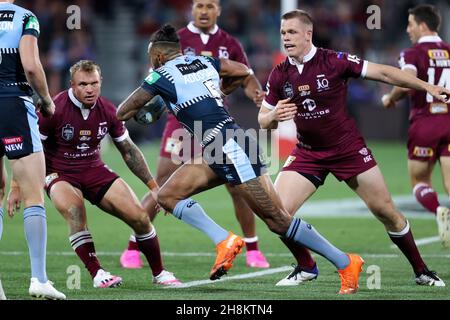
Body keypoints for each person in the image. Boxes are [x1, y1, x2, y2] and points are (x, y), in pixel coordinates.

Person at [117, 24, 366, 295]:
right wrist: (219, 92)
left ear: (158, 56)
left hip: (230, 147)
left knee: (277, 220)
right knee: (166, 196)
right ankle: (224, 240)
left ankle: (345, 262)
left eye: (151, 58)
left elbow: (122, 111)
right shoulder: (203, 61)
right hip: (222, 145)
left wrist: (154, 104)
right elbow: (242, 71)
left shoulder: (160, 74)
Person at [258, 9, 447, 287]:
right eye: (283, 33)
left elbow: (383, 72)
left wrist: (426, 87)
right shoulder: (279, 74)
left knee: (386, 212)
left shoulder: (334, 61)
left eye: (292, 32)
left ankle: (421, 270)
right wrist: (273, 117)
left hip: (347, 149)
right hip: (309, 152)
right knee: (276, 214)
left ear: (308, 34)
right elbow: (263, 120)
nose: (286, 38)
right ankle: (306, 265)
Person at [120, 0, 270, 270]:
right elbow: (155, 76)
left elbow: (245, 76)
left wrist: (255, 93)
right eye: (199, 5)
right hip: (179, 124)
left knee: (237, 186)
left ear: (218, 10)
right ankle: (134, 245)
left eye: (210, 6)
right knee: (162, 184)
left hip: (215, 123)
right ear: (192, 8)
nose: (204, 11)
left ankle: (252, 247)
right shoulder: (177, 40)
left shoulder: (229, 42)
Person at [8, 60, 181, 288]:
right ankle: (97, 272)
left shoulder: (108, 110)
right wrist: (16, 186)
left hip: (94, 169)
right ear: (72, 85)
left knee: (140, 217)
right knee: (75, 211)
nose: (89, 89)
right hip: (58, 172)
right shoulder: (54, 109)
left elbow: (129, 151)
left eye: (94, 83)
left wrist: (154, 188)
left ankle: (160, 273)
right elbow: (29, 150)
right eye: (83, 84)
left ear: (101, 83)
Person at [0, 0, 65, 299]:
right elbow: (30, 65)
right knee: (33, 194)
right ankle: (38, 278)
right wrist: (47, 99)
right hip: (13, 102)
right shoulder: (25, 18)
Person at [382, 4, 450, 247]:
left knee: (420, 182)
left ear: (422, 25)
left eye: (410, 24)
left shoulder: (411, 54)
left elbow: (404, 82)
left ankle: (439, 211)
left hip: (425, 123)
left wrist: (390, 98)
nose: (408, 29)